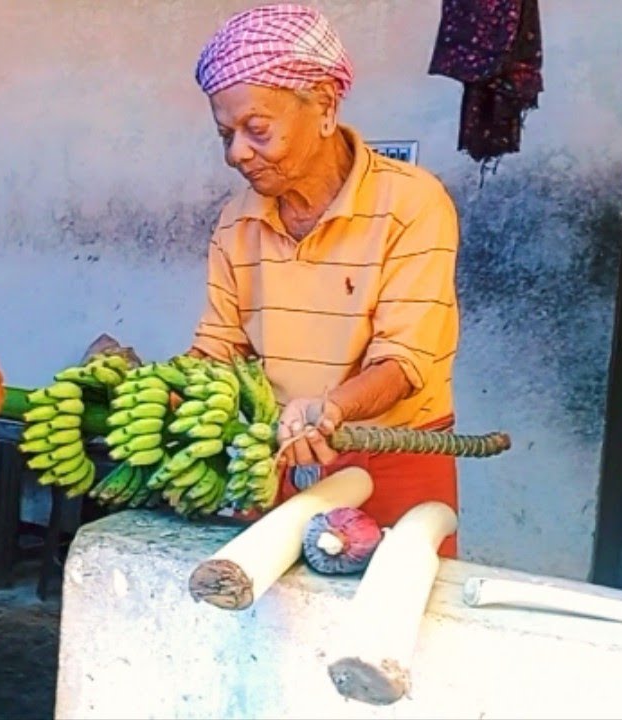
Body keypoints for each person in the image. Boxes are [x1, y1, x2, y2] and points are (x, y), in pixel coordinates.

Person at [188, 4, 463, 556]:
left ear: (325, 107)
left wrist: (331, 409)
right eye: (226, 134)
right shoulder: (236, 221)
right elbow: (220, 349)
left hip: (396, 457)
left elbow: (405, 362)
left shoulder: (412, 203)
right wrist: (162, 387)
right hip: (282, 454)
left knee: (395, 620)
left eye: (256, 129)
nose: (237, 153)